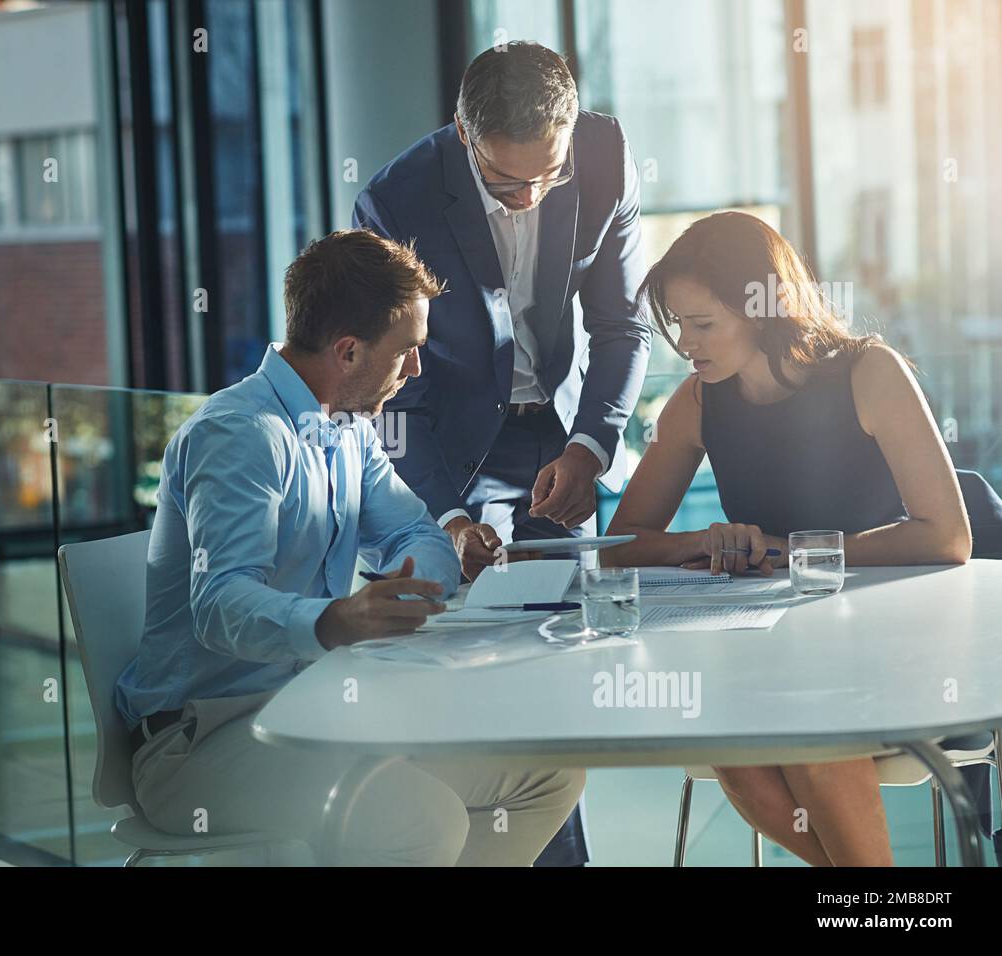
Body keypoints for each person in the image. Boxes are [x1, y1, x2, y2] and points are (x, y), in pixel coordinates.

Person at [114, 229, 585, 866]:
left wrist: (420, 573)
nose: (416, 369)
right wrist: (337, 620)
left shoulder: (348, 432)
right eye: (407, 352)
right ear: (348, 351)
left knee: (546, 775)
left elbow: (416, 532)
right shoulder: (240, 436)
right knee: (423, 820)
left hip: (316, 713)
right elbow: (221, 604)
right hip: (203, 743)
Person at [353, 39, 651, 867]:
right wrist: (444, 513)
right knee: (441, 663)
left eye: (545, 177)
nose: (528, 199)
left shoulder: (605, 157)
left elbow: (622, 326)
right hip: (441, 444)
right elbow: (394, 392)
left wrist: (592, 445)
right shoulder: (396, 201)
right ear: (461, 133)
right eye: (504, 181)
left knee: (555, 667)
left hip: (556, 433)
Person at [603, 211, 971, 866]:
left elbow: (947, 537)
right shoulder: (696, 400)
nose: (686, 342)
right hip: (775, 647)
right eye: (678, 324)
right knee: (734, 748)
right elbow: (621, 545)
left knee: (808, 734)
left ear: (764, 309)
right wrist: (706, 541)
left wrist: (793, 551)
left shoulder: (869, 372)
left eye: (703, 323)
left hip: (888, 639)